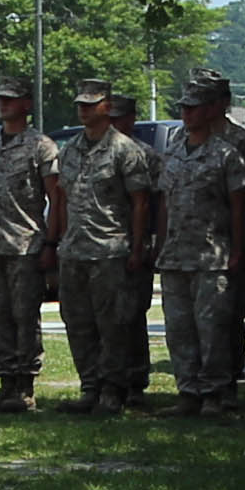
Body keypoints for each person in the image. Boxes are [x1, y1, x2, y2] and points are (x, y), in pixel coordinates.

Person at [152, 70, 245, 415]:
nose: (187, 113)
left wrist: (244, 246)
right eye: (184, 107)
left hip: (215, 254)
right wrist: (159, 242)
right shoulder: (173, 150)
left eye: (195, 106)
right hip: (177, 253)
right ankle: (188, 392)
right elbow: (163, 202)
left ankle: (218, 393)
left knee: (217, 327)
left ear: (215, 106)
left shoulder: (234, 148)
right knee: (180, 329)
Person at [53, 84, 159, 415]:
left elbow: (140, 203)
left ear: (106, 107)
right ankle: (90, 387)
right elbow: (61, 199)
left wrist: (137, 247)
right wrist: (53, 239)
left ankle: (114, 390)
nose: (84, 110)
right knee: (77, 321)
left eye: (91, 105)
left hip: (110, 249)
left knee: (113, 324)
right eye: (80, 105)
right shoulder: (69, 150)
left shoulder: (125, 150)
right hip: (74, 250)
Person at [0, 81, 59, 414]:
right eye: (0, 99)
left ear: (26, 104)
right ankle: (5, 383)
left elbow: (56, 197)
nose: (3, 105)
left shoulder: (41, 147)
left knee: (24, 317)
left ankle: (25, 386)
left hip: (25, 244)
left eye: (10, 100)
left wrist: (51, 242)